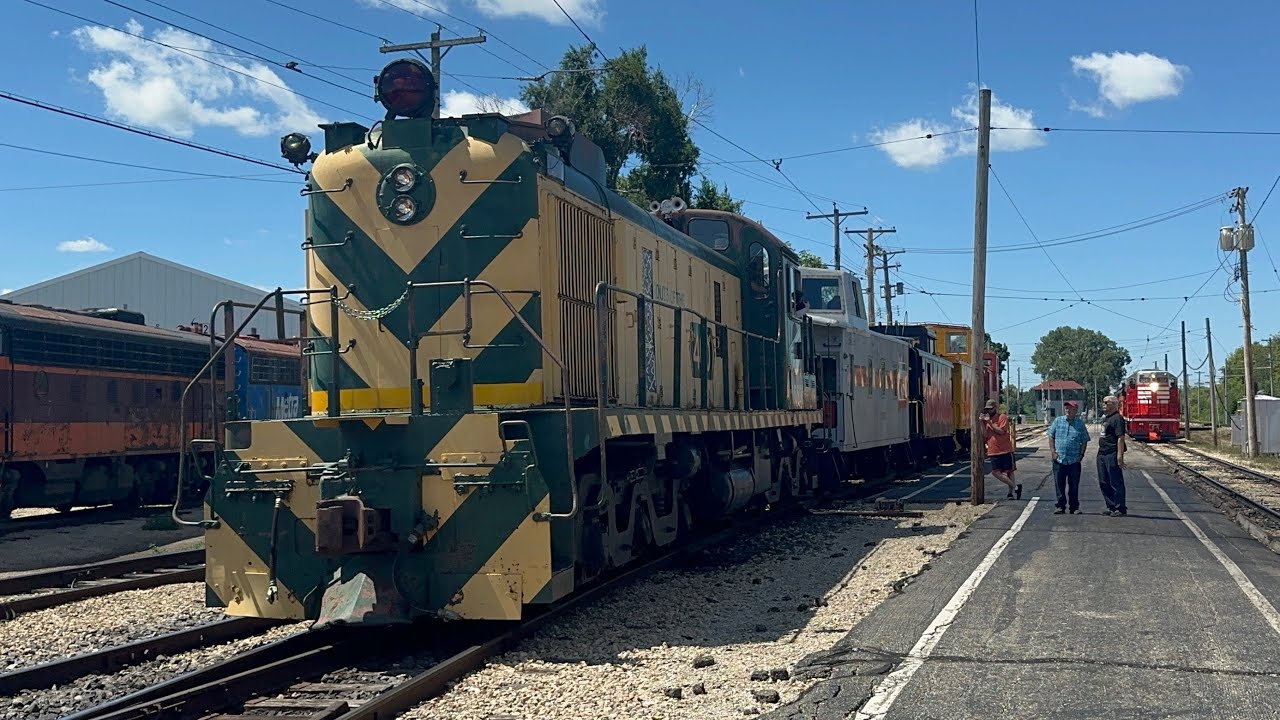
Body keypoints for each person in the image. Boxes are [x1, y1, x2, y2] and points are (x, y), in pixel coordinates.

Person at [1047, 400, 1090, 514]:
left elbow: (1084, 440)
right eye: (1066, 408)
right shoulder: (1058, 421)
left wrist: (1081, 455)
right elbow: (1051, 436)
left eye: (1070, 408)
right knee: (1059, 485)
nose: (1067, 410)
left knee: (1074, 486)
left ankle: (1074, 507)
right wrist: (1053, 452)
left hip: (1074, 460)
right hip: (1059, 459)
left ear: (1075, 411)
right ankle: (1060, 506)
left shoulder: (1080, 424)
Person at [982, 399, 1021, 499]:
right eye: (987, 409)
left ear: (996, 408)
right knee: (996, 472)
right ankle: (1016, 487)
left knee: (1009, 471)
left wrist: (990, 423)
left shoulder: (1002, 417)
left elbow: (1001, 431)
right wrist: (981, 423)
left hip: (1005, 449)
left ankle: (1010, 493)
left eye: (991, 409)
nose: (989, 411)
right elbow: (985, 435)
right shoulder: (986, 421)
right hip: (993, 451)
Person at [1097, 395, 1128, 516]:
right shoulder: (1106, 418)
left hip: (1112, 453)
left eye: (1106, 402)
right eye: (1103, 402)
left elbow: (1121, 438)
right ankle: (1110, 506)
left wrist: (1119, 456)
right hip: (1102, 453)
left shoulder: (1118, 419)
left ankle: (1120, 507)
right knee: (1103, 481)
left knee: (1115, 481)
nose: (1104, 404)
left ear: (1114, 404)